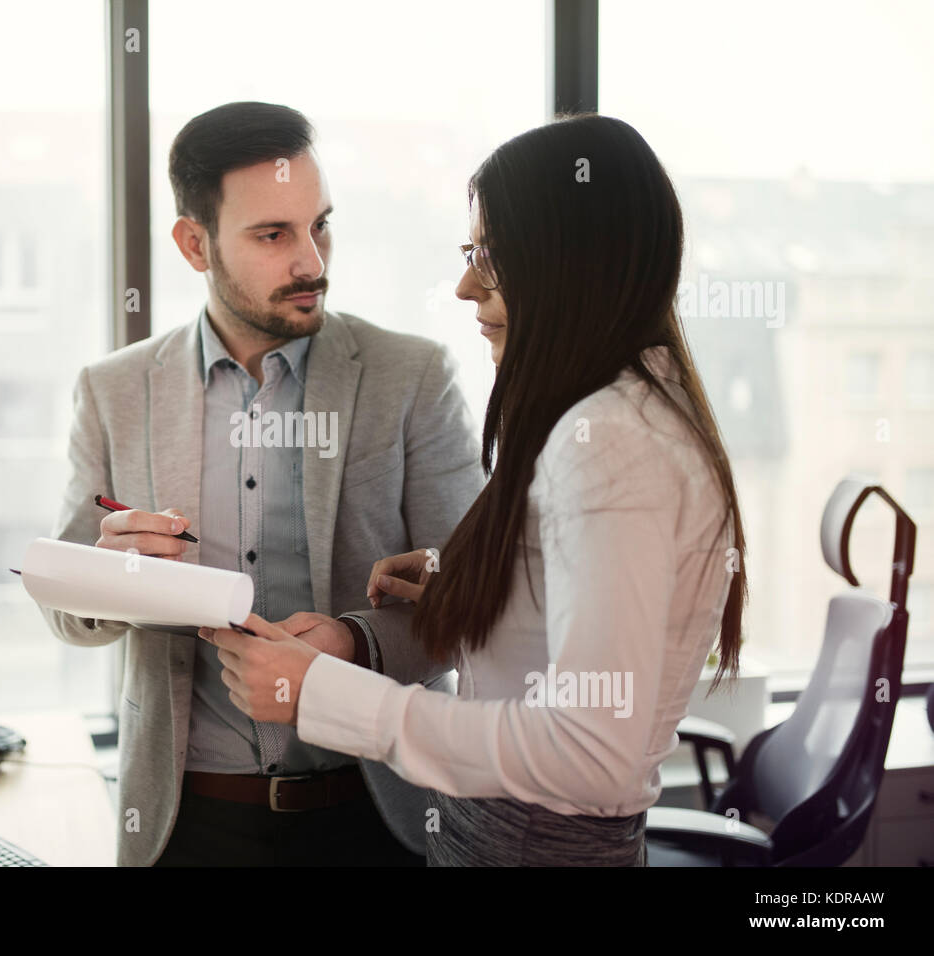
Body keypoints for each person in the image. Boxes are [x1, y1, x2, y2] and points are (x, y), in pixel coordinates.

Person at [201, 113, 749, 867]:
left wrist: (321, 694)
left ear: (568, 262)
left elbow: (588, 754)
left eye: (489, 257)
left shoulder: (611, 442)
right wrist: (490, 584)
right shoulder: (614, 417)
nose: (465, 286)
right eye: (470, 254)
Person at [38, 101, 485, 866]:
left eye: (321, 225)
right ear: (193, 244)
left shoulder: (413, 378)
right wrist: (110, 578)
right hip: (189, 825)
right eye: (273, 235)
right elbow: (66, 611)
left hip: (378, 815)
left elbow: (473, 600)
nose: (312, 262)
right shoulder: (112, 391)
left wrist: (355, 644)